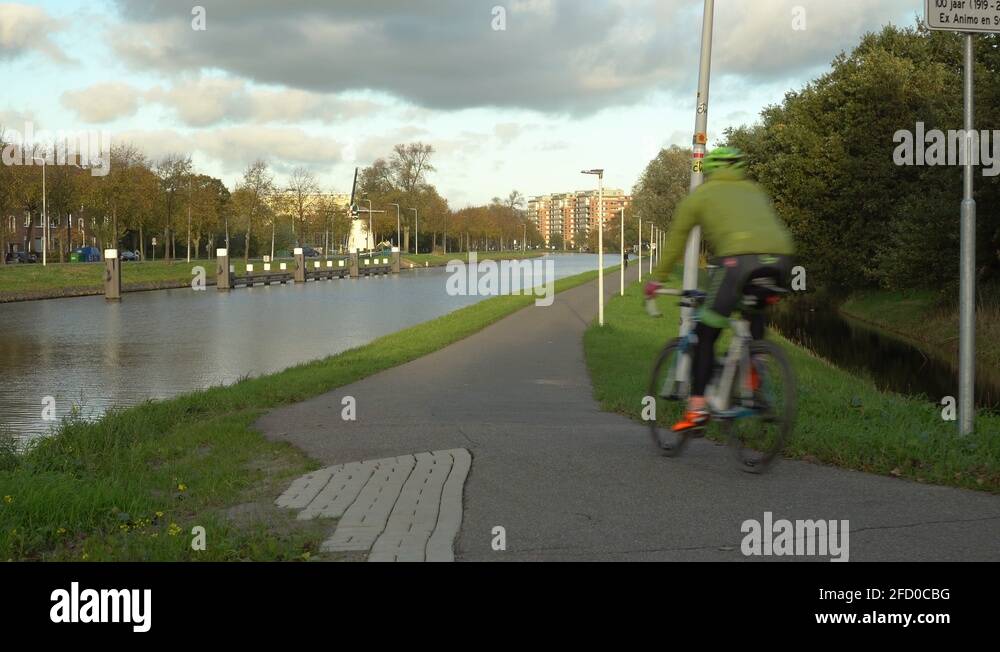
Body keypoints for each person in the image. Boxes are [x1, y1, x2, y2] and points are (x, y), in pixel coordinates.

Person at [646, 147, 795, 434]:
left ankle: (697, 408)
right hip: (780, 261)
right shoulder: (754, 190)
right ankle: (754, 369)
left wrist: (658, 279)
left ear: (711, 170)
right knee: (753, 310)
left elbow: (677, 239)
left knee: (705, 332)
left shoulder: (702, 195)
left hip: (737, 262)